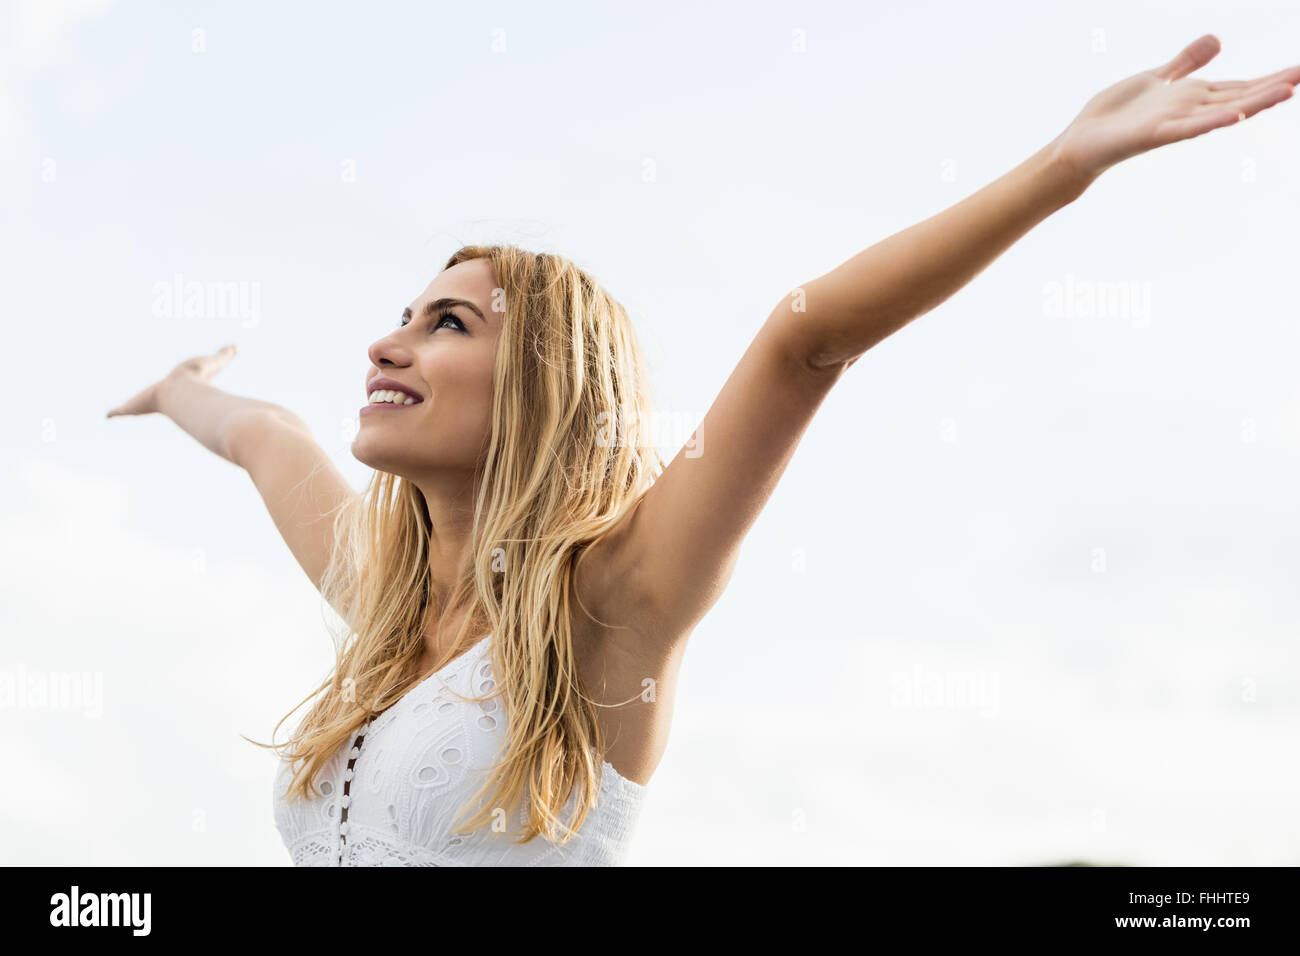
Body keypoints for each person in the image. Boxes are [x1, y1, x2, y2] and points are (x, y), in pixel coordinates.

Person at [106, 34, 1297, 866]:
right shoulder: (379, 594)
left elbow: (803, 339)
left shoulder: (612, 605)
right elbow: (267, 435)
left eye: (447, 321)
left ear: (544, 387)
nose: (388, 340)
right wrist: (179, 390)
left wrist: (1061, 167)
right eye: (402, 313)